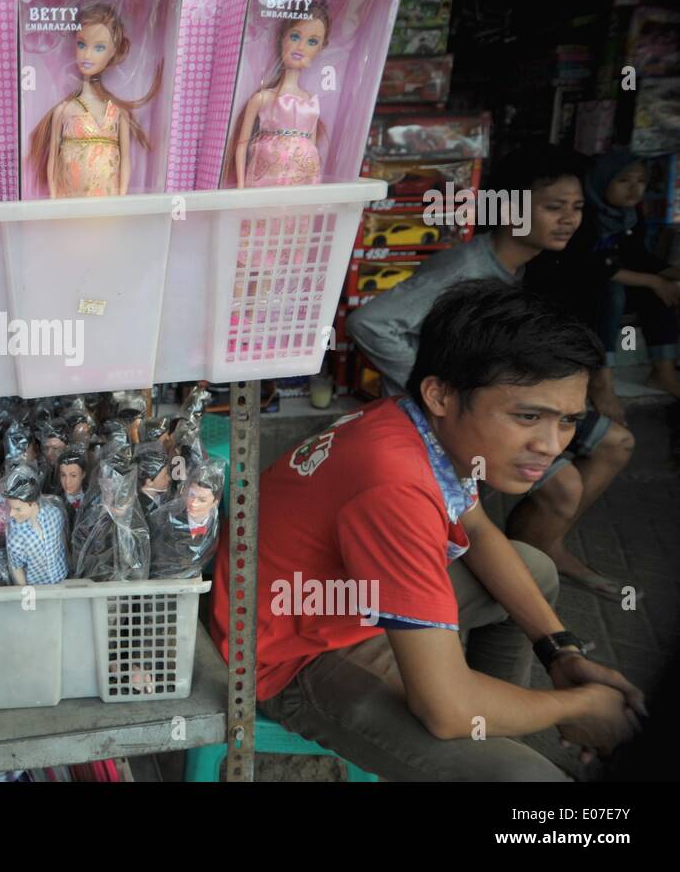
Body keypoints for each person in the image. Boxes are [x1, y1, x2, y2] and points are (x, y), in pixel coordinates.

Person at [213, 281, 646, 781]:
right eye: (528, 416)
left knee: (533, 569)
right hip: (290, 653)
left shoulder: (413, 423)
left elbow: (479, 532)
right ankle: (486, 728)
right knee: (527, 779)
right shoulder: (394, 484)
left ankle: (491, 727)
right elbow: (443, 711)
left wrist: (559, 651)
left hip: (347, 603)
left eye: (568, 421)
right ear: (440, 393)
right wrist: (577, 707)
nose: (551, 445)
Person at [348, 144, 635, 600]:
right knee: (562, 486)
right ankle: (511, 585)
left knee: (616, 443)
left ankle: (537, 556)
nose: (569, 219)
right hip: (459, 414)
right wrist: (440, 390)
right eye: (553, 207)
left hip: (517, 406)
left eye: (577, 208)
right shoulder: (465, 268)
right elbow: (369, 323)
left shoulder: (535, 268)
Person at [526, 149, 680, 399]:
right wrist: (654, 280)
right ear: (602, 179)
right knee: (616, 289)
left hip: (603, 285)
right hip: (566, 290)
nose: (634, 189)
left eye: (640, 181)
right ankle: (600, 374)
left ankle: (664, 371)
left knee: (658, 290)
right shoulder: (579, 214)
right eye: (623, 180)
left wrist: (670, 273)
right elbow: (593, 266)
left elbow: (637, 256)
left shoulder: (629, 215)